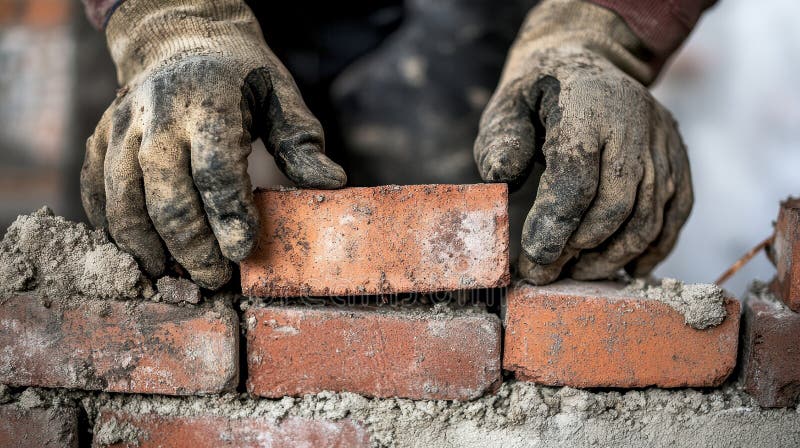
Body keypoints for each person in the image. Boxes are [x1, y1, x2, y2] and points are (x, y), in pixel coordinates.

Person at [80, 0, 715, 289]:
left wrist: (604, 31)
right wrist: (171, 25)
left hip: (468, 26)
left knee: (489, 272)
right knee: (159, 212)